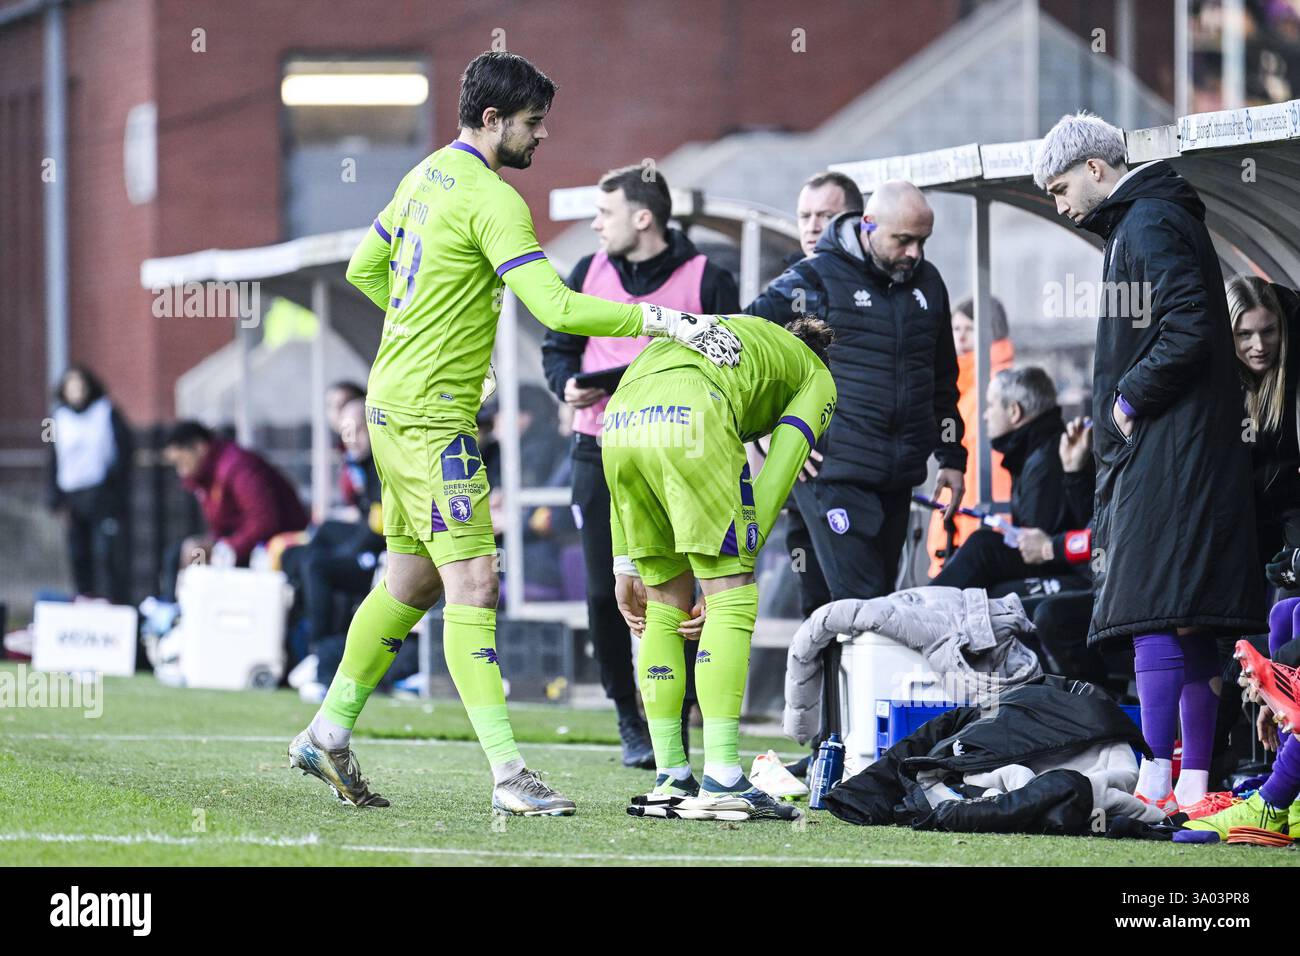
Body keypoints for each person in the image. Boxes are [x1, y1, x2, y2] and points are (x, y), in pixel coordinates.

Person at [288, 50, 742, 815]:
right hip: (433, 415)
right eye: (534, 125)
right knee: (476, 583)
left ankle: (326, 732)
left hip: (392, 402)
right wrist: (669, 321)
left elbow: (370, 268)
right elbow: (558, 310)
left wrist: (435, 339)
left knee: (412, 580)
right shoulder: (493, 199)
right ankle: (508, 775)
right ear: (493, 119)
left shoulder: (424, 174)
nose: (542, 140)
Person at [1034, 110, 1266, 815]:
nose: (1058, 203)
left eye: (1060, 186)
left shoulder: (1148, 222)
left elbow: (1191, 322)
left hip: (1170, 455)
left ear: (1097, 170)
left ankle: (1154, 782)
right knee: (1191, 619)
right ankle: (1189, 782)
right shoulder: (1156, 217)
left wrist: (1127, 403)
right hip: (1184, 454)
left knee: (1155, 615)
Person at [541, 164, 739, 768]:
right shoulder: (586, 271)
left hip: (681, 457)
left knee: (674, 592)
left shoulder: (710, 278)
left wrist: (610, 379)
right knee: (605, 593)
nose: (596, 224)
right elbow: (558, 348)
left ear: (643, 217)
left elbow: (729, 356)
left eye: (605, 213)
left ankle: (673, 723)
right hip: (597, 448)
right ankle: (628, 717)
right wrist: (566, 385)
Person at [605, 314, 835, 821]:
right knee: (733, 597)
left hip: (618, 421)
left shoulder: (741, 334)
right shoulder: (816, 376)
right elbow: (779, 473)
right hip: (691, 416)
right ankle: (725, 778)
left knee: (663, 602)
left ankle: (670, 777)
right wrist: (734, 568)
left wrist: (625, 560)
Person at [746, 179, 966, 610]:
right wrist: (767, 428)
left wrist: (952, 457)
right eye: (903, 240)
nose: (914, 253)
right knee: (863, 608)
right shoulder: (813, 279)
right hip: (832, 474)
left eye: (922, 241)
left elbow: (941, 378)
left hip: (897, 478)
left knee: (849, 609)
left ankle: (826, 679)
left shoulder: (929, 283)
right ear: (869, 224)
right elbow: (744, 345)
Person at [931, 367, 1092, 596]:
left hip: (1073, 575)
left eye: (990, 405)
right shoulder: (1036, 451)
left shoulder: (1045, 460)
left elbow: (1038, 550)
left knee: (983, 549)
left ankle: (913, 609)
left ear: (1014, 411)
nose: (985, 415)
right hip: (1066, 567)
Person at [161, 421, 309, 592]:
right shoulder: (204, 478)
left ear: (199, 447)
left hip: (271, 542)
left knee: (197, 554)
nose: (181, 472)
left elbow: (265, 520)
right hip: (244, 541)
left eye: (182, 462)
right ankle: (178, 610)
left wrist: (228, 547)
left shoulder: (237, 467)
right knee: (183, 553)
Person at [926, 295, 1015, 577]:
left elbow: (990, 475)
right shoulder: (963, 387)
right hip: (963, 531)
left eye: (970, 329)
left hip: (981, 531)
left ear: (991, 331)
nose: (960, 337)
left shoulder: (997, 386)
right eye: (955, 328)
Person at [47, 366, 134, 604]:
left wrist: (115, 489)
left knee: (107, 551)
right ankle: (84, 597)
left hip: (101, 493)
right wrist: (54, 497)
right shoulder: (54, 420)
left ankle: (113, 599)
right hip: (73, 494)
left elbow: (125, 450)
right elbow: (51, 455)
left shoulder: (107, 411)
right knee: (78, 552)